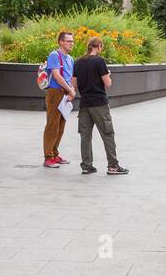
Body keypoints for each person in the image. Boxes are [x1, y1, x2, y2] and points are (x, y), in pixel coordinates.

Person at [72, 36, 128, 176]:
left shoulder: (78, 62)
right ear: (99, 47)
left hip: (84, 103)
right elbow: (107, 83)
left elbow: (74, 84)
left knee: (85, 136)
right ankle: (113, 166)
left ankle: (86, 165)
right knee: (108, 134)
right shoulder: (100, 61)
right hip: (99, 103)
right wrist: (107, 75)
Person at [42, 31, 76, 168]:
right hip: (55, 92)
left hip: (65, 93)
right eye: (69, 41)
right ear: (61, 42)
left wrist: (72, 91)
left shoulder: (70, 59)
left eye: (72, 41)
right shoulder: (54, 55)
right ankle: (48, 157)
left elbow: (71, 77)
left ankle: (55, 153)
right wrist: (70, 89)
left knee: (61, 126)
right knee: (52, 125)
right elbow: (56, 76)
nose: (71, 43)